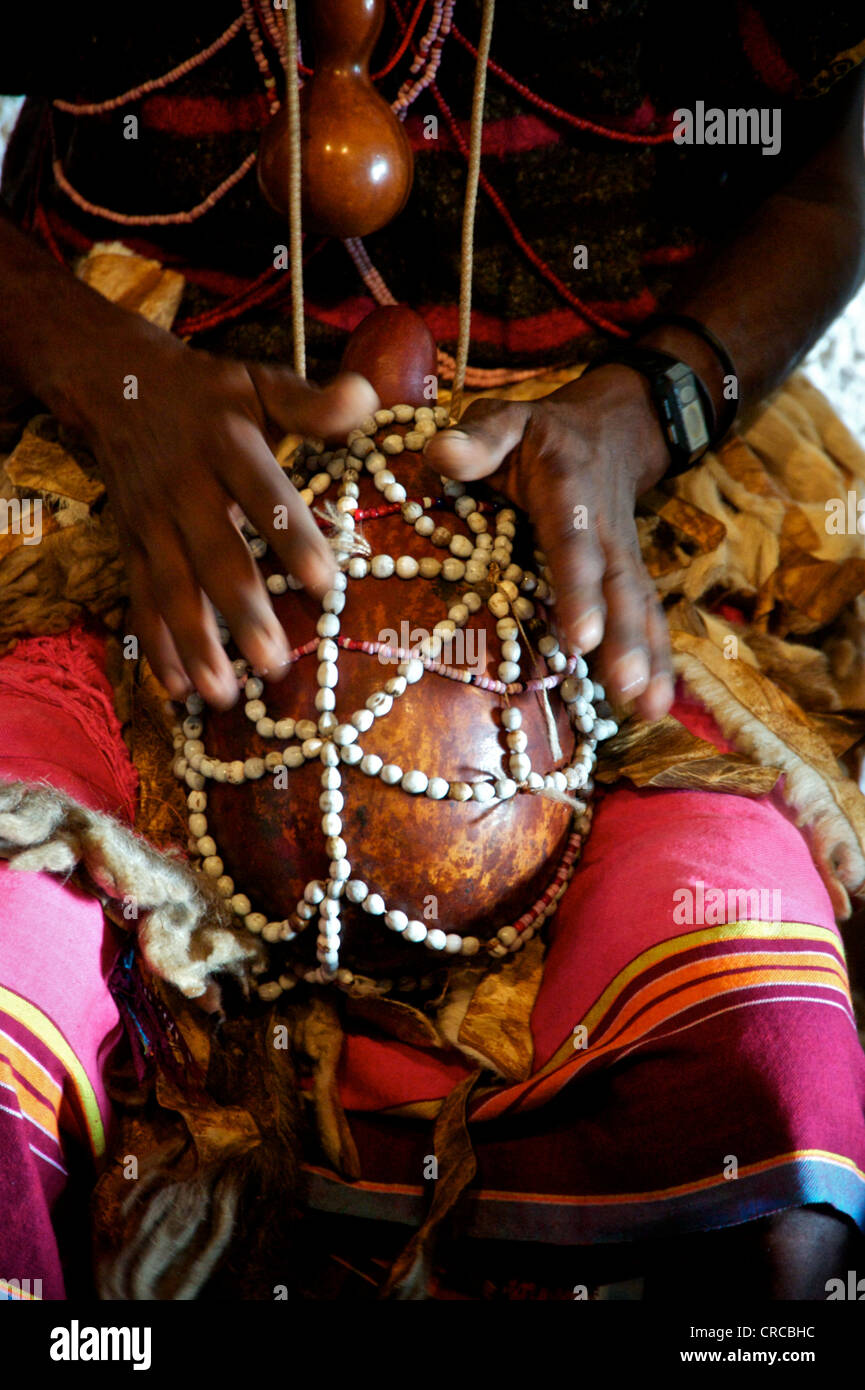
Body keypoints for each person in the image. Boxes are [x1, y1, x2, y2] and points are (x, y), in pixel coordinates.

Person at [1, 0, 864, 1299]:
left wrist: (650, 406)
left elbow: (843, 159)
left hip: (624, 557)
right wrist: (111, 381)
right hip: (110, 529)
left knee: (761, 1116)